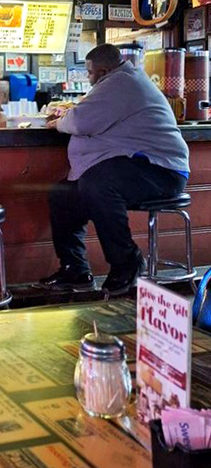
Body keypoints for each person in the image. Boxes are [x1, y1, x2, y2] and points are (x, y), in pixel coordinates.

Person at [40, 43, 189, 296]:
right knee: (63, 194)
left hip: (162, 170)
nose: (88, 78)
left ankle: (126, 263)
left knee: (99, 184)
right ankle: (75, 269)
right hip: (139, 165)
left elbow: (80, 120)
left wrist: (60, 122)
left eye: (89, 73)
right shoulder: (120, 81)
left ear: (103, 70)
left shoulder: (121, 83)